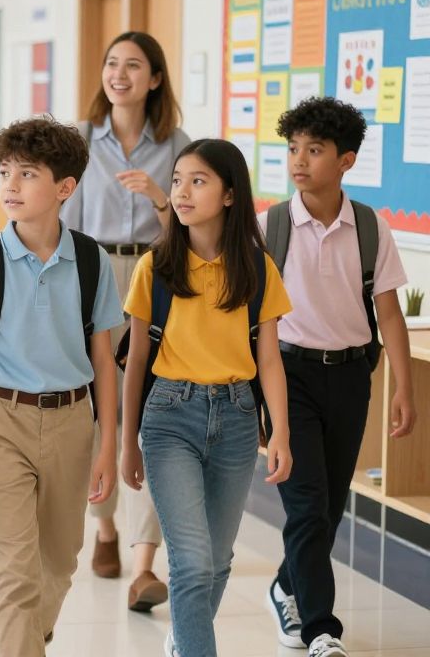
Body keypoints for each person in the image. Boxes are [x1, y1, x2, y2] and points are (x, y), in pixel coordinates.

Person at [0, 117, 122, 657]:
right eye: (4, 173)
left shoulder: (92, 261)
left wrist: (107, 444)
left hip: (73, 421)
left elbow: (104, 359)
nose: (10, 186)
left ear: (64, 189)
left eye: (27, 174)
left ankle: (27, 634)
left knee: (62, 559)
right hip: (1, 420)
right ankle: (22, 643)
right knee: (17, 568)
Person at [121, 139, 293, 657]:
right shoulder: (155, 267)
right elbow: (134, 363)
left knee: (217, 560)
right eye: (177, 180)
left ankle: (183, 638)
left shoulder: (258, 270)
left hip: (238, 418)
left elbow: (268, 357)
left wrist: (280, 429)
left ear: (230, 195)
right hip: (170, 416)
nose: (181, 191)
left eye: (198, 181)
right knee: (193, 560)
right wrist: (127, 441)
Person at [259, 98, 415, 657]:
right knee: (306, 505)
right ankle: (321, 627)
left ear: (346, 160)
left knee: (328, 506)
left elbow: (390, 313)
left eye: (315, 150)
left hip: (352, 376)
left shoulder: (370, 227)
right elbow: (250, 317)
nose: (299, 160)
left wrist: (404, 387)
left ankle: (284, 585)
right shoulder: (270, 226)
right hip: (289, 375)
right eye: (294, 148)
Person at [60, 30, 189, 609]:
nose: (119, 74)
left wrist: (162, 198)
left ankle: (144, 559)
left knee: (148, 415)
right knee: (97, 414)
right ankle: (104, 526)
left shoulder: (179, 144)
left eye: (134, 66)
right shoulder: (82, 141)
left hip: (157, 280)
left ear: (155, 79)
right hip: (96, 278)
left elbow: (194, 228)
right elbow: (62, 225)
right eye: (112, 63)